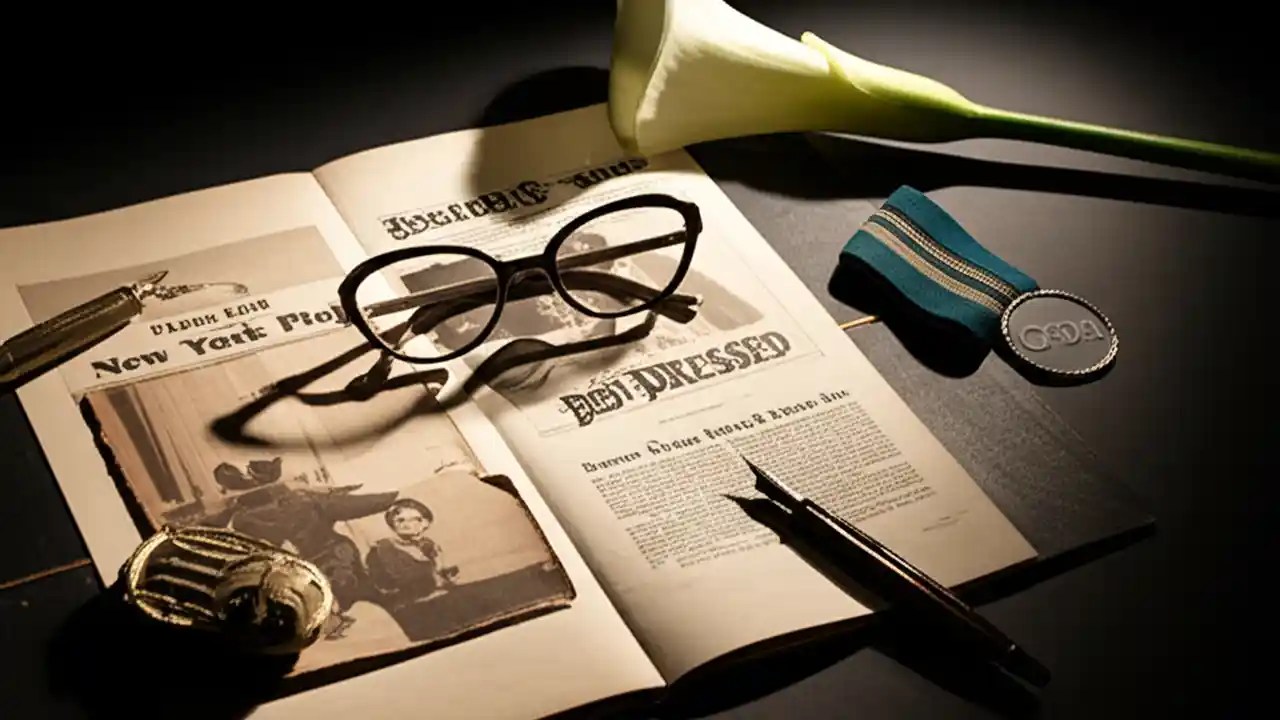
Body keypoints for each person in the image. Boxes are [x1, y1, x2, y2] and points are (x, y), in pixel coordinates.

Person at [203, 457, 399, 639]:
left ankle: (343, 612)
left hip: (309, 575)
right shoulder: (302, 500)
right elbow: (351, 505)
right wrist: (391, 499)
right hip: (332, 563)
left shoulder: (242, 519)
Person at [365, 498, 459, 611]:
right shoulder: (381, 550)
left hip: (438, 600)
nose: (407, 524)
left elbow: (442, 575)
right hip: (409, 608)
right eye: (400, 520)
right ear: (392, 523)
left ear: (425, 522)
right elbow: (385, 587)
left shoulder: (427, 545)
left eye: (415, 519)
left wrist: (446, 577)